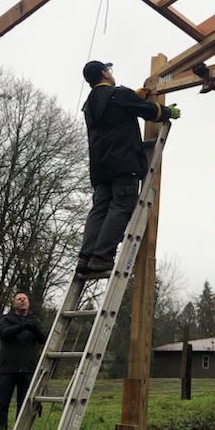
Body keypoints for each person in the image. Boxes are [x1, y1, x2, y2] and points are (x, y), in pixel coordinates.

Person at [77, 60, 181, 275]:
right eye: (109, 71)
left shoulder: (90, 104)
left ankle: (86, 256)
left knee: (100, 209)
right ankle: (102, 257)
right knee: (122, 205)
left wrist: (135, 95)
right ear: (105, 73)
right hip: (124, 162)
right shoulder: (118, 94)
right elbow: (148, 111)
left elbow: (118, 109)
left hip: (100, 167)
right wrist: (166, 112)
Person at [0, 292, 47, 430]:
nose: (22, 301)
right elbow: (3, 333)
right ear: (14, 303)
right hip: (7, 369)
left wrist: (34, 328)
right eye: (19, 299)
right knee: (3, 403)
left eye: (25, 299)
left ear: (28, 303)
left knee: (23, 404)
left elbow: (43, 339)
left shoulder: (35, 320)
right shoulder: (6, 320)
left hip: (28, 368)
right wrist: (22, 327)